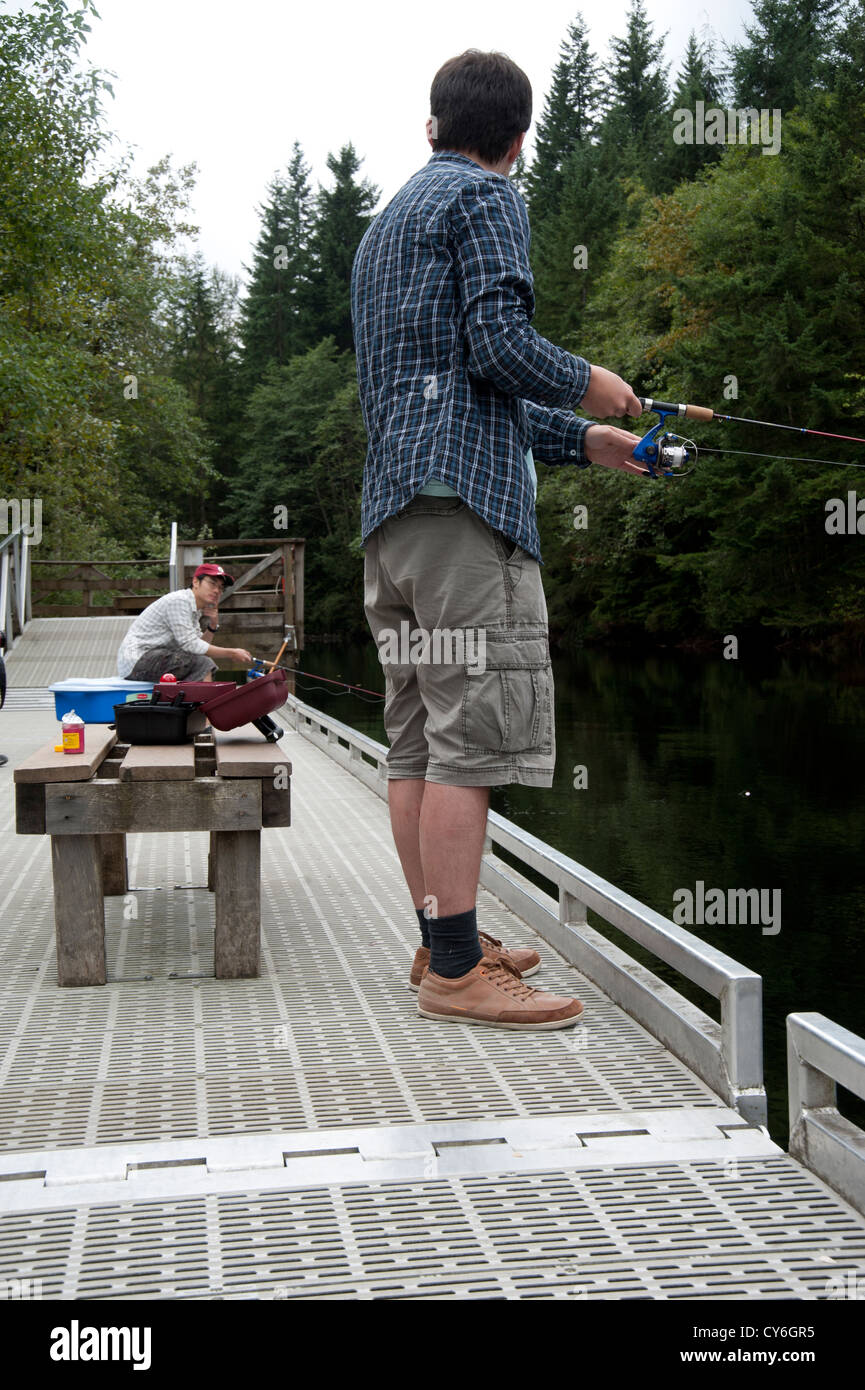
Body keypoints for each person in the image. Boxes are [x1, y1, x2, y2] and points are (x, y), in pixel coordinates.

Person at [351, 49, 646, 1030]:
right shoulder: (488, 198)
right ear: (515, 140)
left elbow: (462, 384)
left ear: (431, 126)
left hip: (393, 522)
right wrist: (590, 381)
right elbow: (500, 348)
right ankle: (456, 977)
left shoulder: (386, 228)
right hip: (466, 524)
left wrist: (587, 441)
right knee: (468, 750)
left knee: (415, 745)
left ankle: (446, 941)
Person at [117, 563, 253, 682]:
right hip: (137, 658)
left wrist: (212, 625)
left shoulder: (194, 608)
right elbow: (191, 645)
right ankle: (204, 709)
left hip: (152, 658)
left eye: (221, 587)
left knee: (198, 661)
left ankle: (196, 707)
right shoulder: (180, 601)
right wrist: (231, 653)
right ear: (195, 582)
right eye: (212, 583)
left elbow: (199, 648)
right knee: (203, 664)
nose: (217, 590)